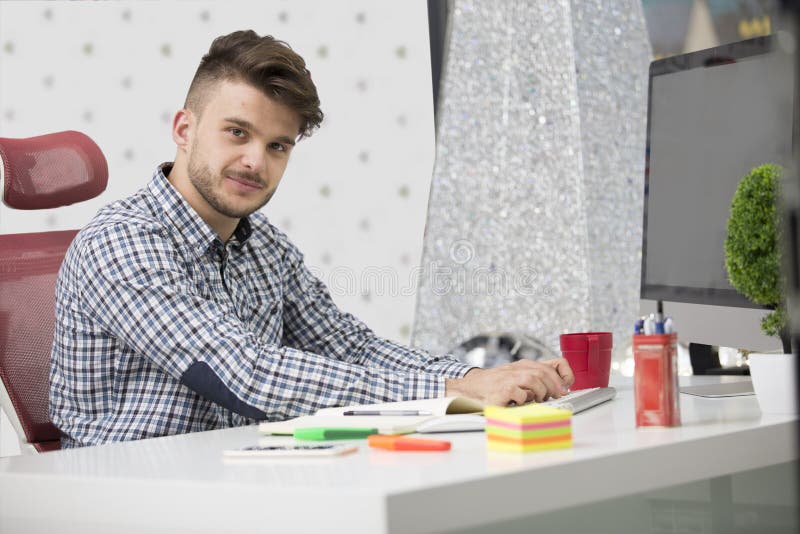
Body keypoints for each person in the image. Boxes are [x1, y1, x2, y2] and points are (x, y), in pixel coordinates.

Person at [49, 30, 574, 448]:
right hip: (126, 496)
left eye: (278, 146)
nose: (255, 161)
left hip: (231, 478)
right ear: (184, 130)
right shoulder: (120, 242)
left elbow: (351, 349)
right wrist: (452, 391)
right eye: (237, 132)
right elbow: (244, 372)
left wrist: (487, 377)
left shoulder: (265, 247)